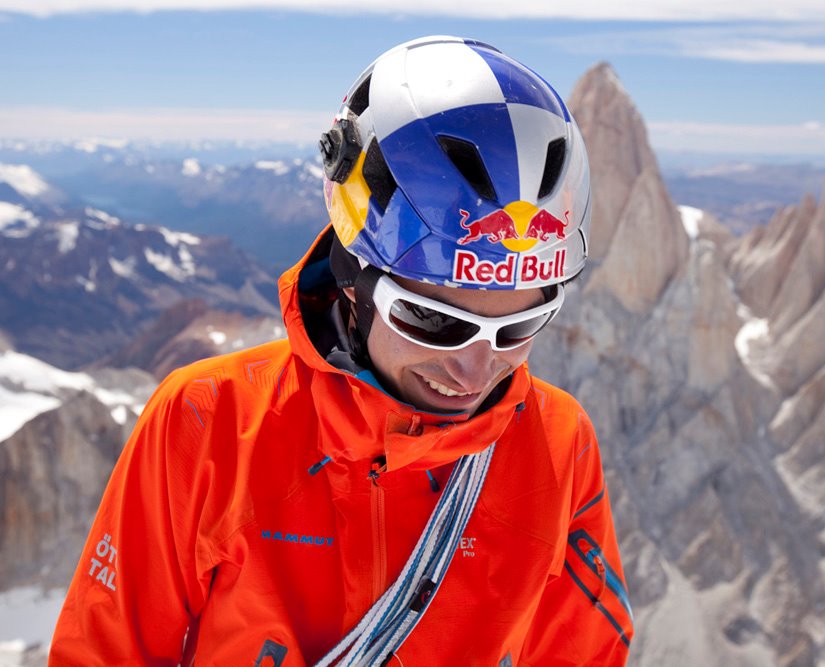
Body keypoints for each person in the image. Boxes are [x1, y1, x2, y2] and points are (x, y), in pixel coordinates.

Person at [50, 36, 633, 666]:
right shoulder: (207, 422)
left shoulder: (559, 442)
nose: (474, 370)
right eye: (432, 321)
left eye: (521, 327)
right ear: (353, 278)